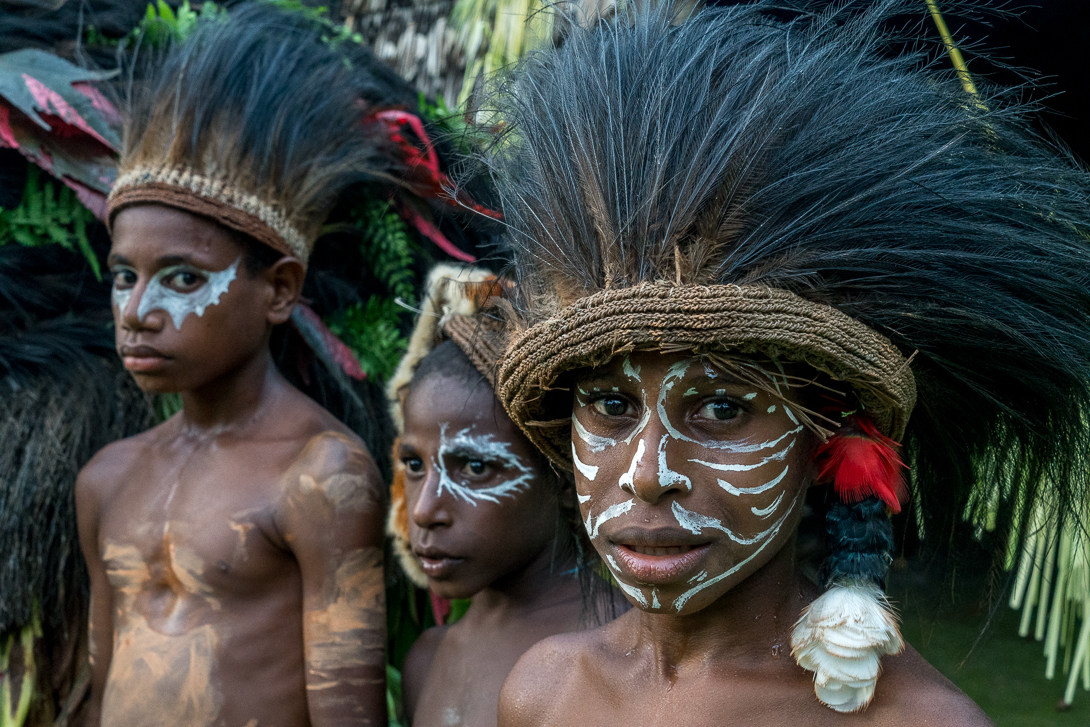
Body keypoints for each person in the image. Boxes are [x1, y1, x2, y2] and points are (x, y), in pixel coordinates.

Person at [481, 2, 1090, 724]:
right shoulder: (544, 691)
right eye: (611, 406)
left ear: (825, 436)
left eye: (723, 407)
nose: (647, 472)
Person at [75, 7, 398, 726]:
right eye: (124, 276)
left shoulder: (320, 476)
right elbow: (102, 697)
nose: (137, 310)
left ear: (278, 289)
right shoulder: (106, 479)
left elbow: (351, 714)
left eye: (183, 278)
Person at [387, 265, 621, 727]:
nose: (424, 510)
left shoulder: (630, 656)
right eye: (414, 465)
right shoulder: (427, 661)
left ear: (565, 477)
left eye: (475, 467)